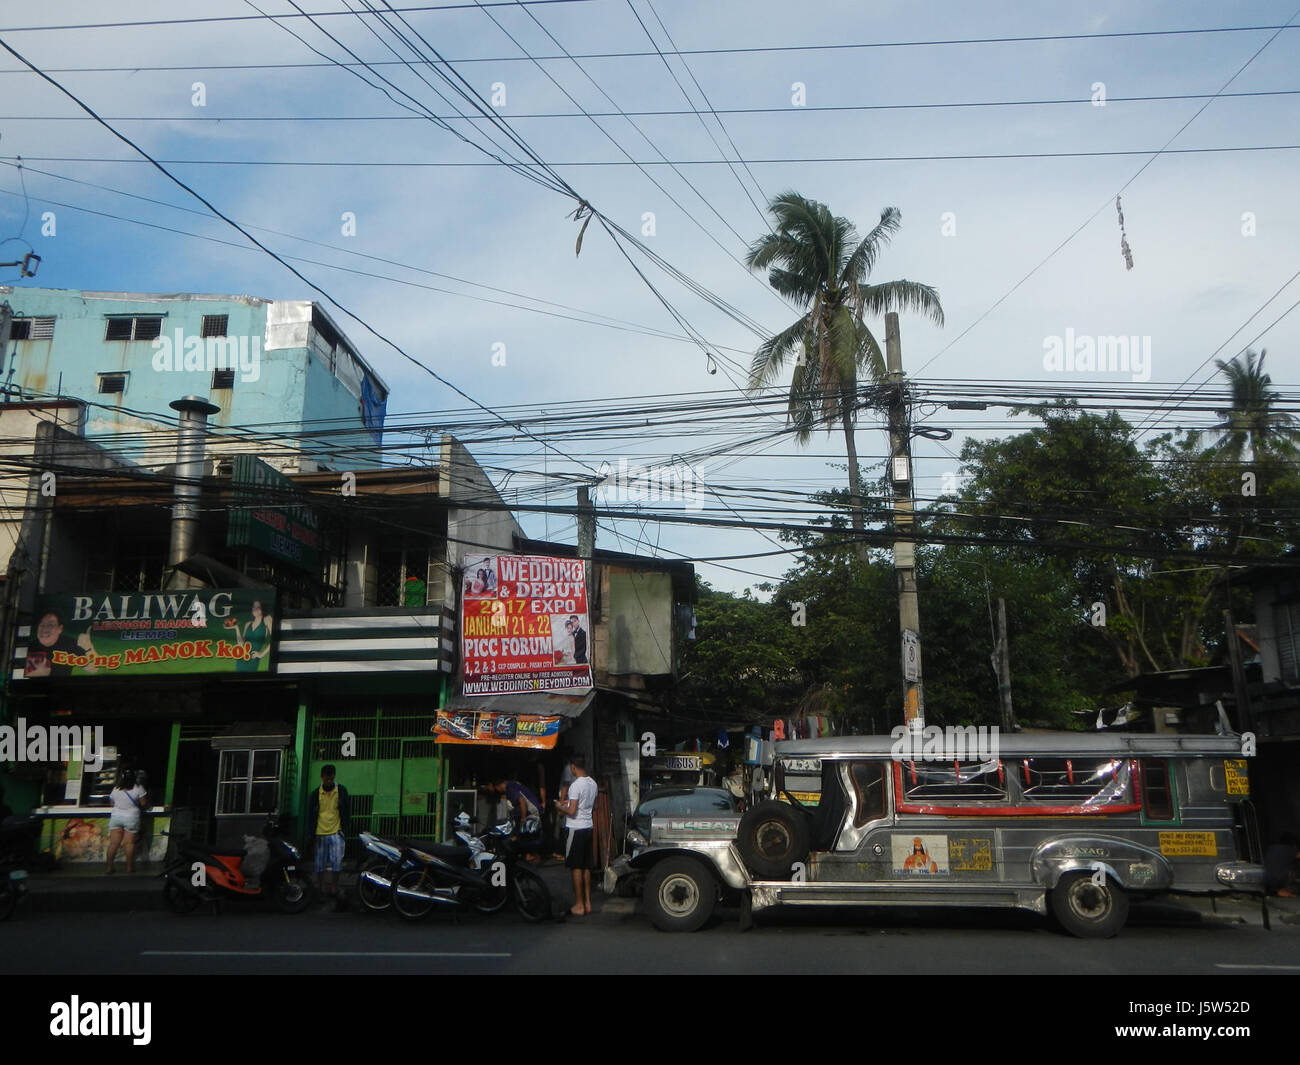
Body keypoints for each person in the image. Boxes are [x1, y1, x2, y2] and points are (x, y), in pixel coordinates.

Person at [555, 754, 597, 916]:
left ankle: (578, 904)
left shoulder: (575, 786)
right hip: (588, 827)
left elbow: (572, 811)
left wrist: (560, 806)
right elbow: (585, 805)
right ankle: (587, 903)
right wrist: (570, 805)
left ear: (573, 767)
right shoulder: (592, 783)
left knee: (575, 867)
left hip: (575, 829)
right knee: (586, 866)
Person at [304, 765, 351, 908]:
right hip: (319, 833)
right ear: (322, 777)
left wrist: (345, 828)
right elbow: (311, 815)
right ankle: (321, 886)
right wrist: (310, 833)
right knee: (320, 864)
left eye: (331, 778)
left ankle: (334, 886)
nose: (329, 781)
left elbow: (346, 811)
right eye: (327, 778)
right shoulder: (315, 794)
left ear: (334, 777)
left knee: (337, 863)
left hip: (336, 832)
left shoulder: (341, 791)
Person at [24, 609, 98, 678]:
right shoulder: (31, 647)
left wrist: (88, 647)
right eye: (42, 625)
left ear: (60, 629)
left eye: (50, 625)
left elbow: (93, 669)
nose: (45, 629)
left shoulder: (70, 644)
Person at [105, 768, 148, 873]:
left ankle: (109, 867)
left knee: (113, 844)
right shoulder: (139, 788)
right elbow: (143, 803)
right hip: (131, 818)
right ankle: (129, 867)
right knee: (129, 843)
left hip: (116, 817)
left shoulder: (116, 788)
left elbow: (111, 803)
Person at [233, 600, 272, 673]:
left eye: (258, 607)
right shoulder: (248, 624)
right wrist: (236, 628)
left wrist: (262, 654)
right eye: (253, 607)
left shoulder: (267, 619)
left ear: (263, 609)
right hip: (241, 658)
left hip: (253, 658)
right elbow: (240, 644)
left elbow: (274, 638)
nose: (255, 609)